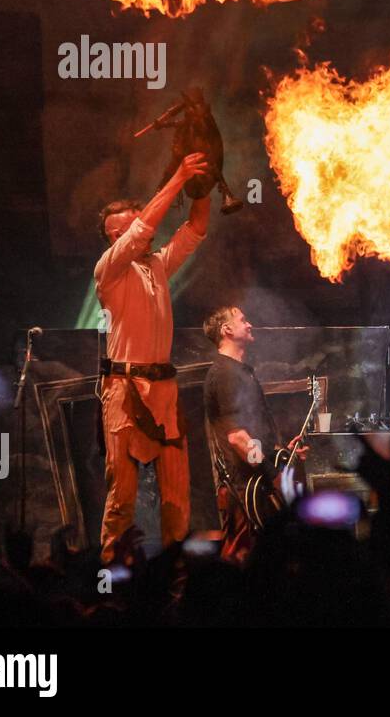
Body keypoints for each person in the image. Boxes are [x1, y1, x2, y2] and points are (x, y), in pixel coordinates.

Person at [95, 152, 210, 563]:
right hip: (125, 390)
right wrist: (179, 175)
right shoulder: (109, 269)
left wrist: (203, 184)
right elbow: (145, 227)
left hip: (163, 389)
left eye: (130, 225)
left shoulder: (156, 267)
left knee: (177, 497)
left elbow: (196, 228)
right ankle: (113, 575)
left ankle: (175, 581)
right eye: (120, 232)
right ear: (112, 239)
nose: (129, 235)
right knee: (122, 495)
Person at [202, 305, 304, 562]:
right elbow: (237, 438)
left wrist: (282, 453)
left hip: (256, 485)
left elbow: (252, 432)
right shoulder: (225, 374)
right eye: (243, 320)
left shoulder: (240, 372)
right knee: (243, 561)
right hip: (244, 489)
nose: (250, 325)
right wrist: (273, 473)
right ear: (226, 330)